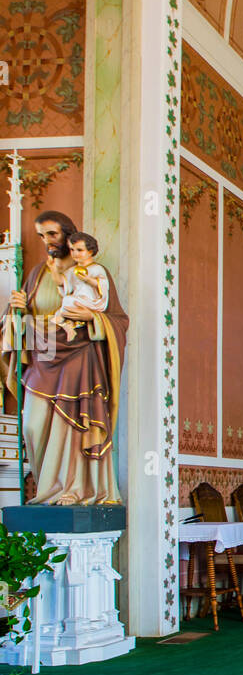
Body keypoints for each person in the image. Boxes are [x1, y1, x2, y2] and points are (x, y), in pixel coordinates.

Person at [1, 211, 128, 505]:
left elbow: (118, 320)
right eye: (42, 236)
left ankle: (74, 488)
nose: (47, 242)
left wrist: (93, 318)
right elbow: (21, 325)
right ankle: (48, 489)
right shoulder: (36, 274)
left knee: (73, 427)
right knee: (32, 425)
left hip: (78, 358)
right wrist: (16, 310)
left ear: (69, 234)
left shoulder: (93, 272)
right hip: (43, 355)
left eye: (52, 234)